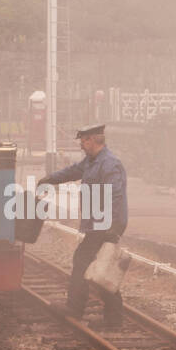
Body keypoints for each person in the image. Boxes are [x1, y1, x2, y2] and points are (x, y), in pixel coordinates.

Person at [38, 124, 128, 329]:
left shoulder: (110, 164)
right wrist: (50, 179)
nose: (80, 145)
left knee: (85, 261)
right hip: (97, 222)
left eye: (83, 140)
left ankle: (76, 309)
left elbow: (115, 195)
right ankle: (113, 318)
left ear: (93, 140)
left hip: (106, 223)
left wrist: (111, 228)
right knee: (100, 266)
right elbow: (72, 171)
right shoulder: (92, 161)